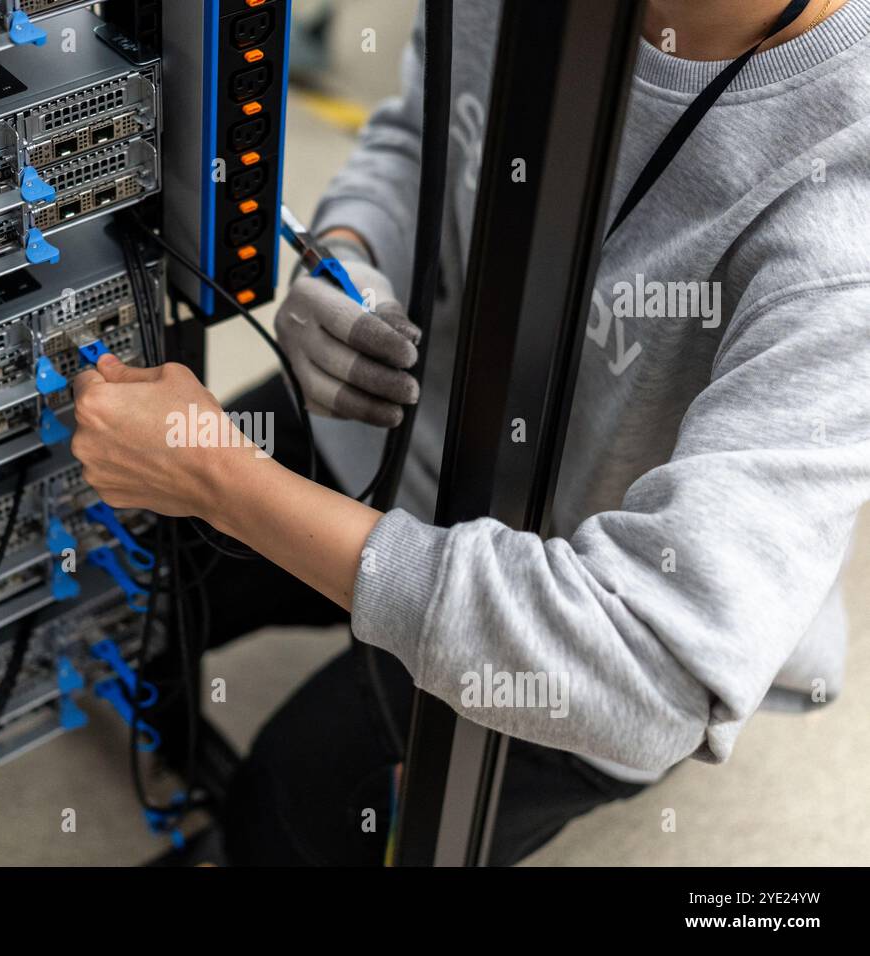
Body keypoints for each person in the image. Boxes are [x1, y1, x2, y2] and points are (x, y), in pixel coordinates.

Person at [71, 0, 870, 865]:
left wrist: (225, 483)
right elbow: (420, 132)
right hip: (397, 431)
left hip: (572, 607)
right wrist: (346, 249)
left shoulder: (844, 214)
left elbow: (652, 667)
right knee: (125, 569)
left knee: (291, 812)